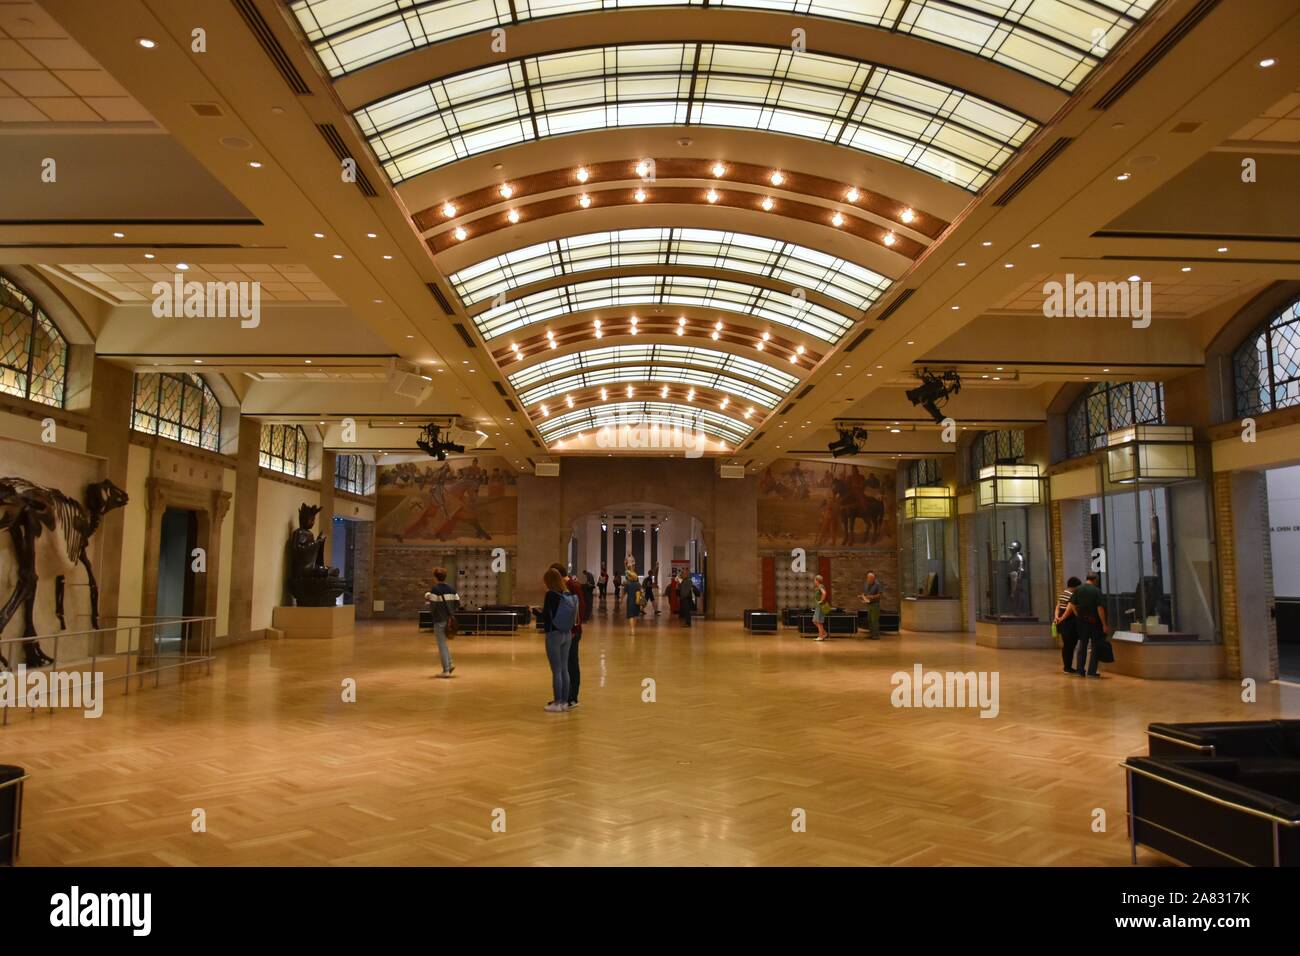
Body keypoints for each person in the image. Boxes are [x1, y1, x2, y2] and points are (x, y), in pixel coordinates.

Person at [540, 567, 577, 711]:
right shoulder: (566, 594)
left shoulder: (550, 595)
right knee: (564, 669)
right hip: (567, 633)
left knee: (556, 670)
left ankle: (557, 702)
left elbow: (546, 616)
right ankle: (564, 702)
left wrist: (536, 612)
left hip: (554, 634)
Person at [1059, 572, 1110, 677]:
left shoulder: (1078, 589)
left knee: (1082, 645)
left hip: (1081, 622)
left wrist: (1078, 615)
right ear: (1095, 580)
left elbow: (1072, 604)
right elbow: (1100, 608)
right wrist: (1104, 624)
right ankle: (1091, 671)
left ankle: (1080, 670)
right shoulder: (1096, 591)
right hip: (1094, 622)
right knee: (1095, 646)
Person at [551, 562, 588, 707]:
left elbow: (578, 610)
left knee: (570, 663)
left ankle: (572, 697)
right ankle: (566, 696)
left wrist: (572, 628)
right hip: (569, 631)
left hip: (571, 631)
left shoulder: (571, 586)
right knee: (566, 663)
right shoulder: (569, 586)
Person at [424, 566, 458, 677]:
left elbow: (432, 607)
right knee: (444, 644)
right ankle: (450, 663)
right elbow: (457, 603)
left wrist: (433, 612)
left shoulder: (435, 590)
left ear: (435, 577)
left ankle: (446, 670)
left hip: (439, 620)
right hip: (449, 619)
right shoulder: (452, 589)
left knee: (441, 644)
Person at [1054, 576, 1083, 674]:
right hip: (1069, 623)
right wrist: (1062, 618)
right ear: (1075, 586)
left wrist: (1057, 617)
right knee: (1070, 645)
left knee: (1066, 645)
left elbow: (1057, 607)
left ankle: (1066, 666)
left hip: (1062, 623)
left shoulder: (1063, 594)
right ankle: (1068, 667)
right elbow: (1069, 609)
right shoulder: (1072, 595)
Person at [858, 571, 883, 640]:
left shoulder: (877, 584)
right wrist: (862, 596)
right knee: (869, 620)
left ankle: (876, 635)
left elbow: (880, 595)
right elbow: (865, 593)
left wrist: (872, 597)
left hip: (875, 604)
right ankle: (871, 634)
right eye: (868, 578)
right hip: (868, 604)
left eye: (871, 578)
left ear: (874, 578)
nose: (869, 580)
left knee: (874, 620)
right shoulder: (866, 584)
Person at [812, 574, 830, 641]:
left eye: (815, 580)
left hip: (820, 606)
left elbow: (824, 593)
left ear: (817, 580)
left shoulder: (820, 586)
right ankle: (824, 633)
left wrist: (821, 601)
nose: (814, 581)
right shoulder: (819, 586)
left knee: (818, 622)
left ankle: (821, 636)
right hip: (818, 606)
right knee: (814, 621)